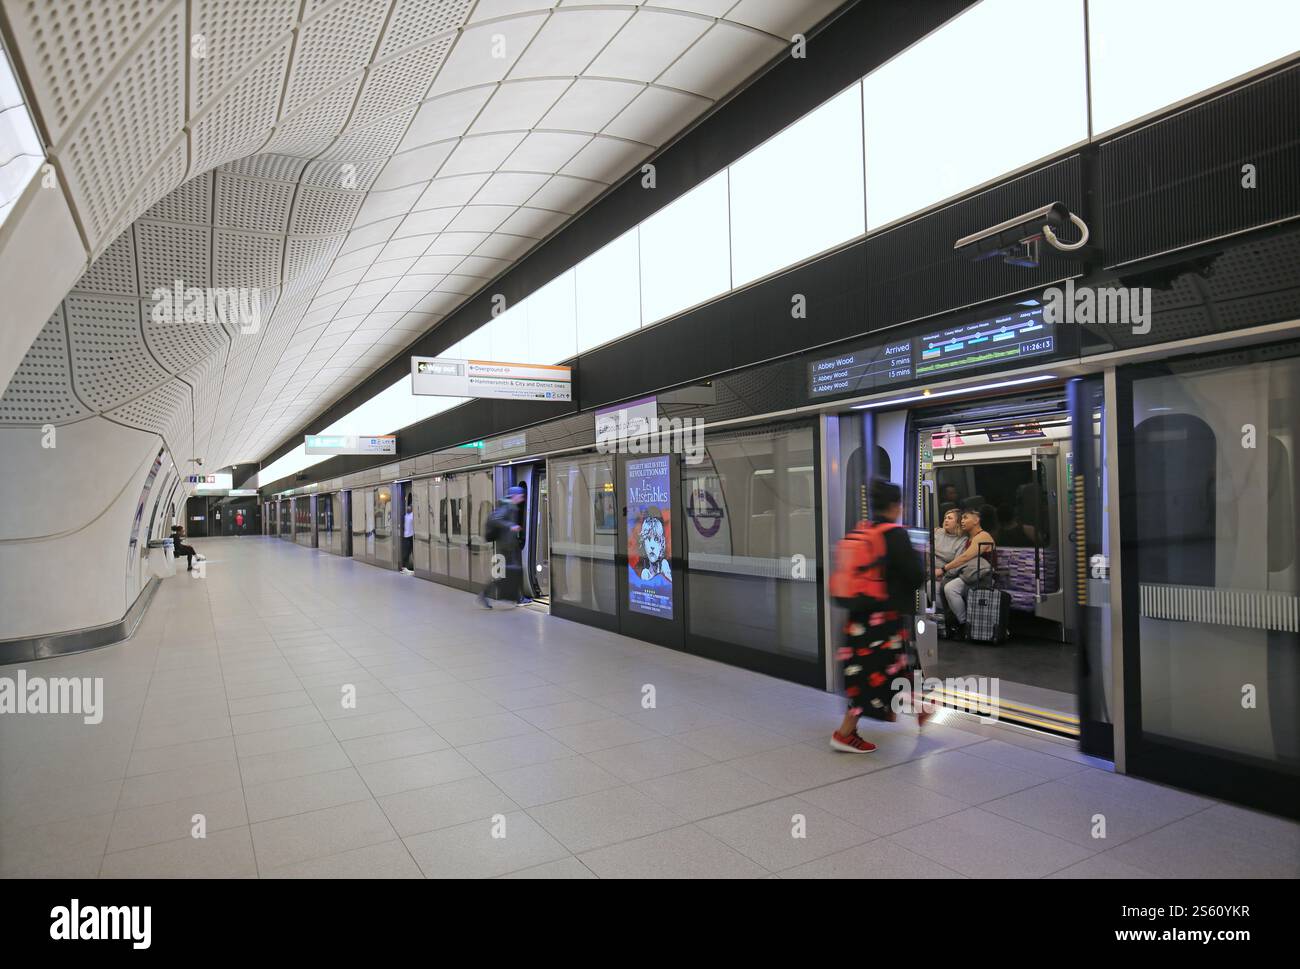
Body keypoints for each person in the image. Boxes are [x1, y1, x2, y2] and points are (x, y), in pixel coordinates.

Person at [829, 479, 929, 753]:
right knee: (876, 676)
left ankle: (920, 706)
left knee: (888, 669)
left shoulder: (863, 530)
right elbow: (917, 576)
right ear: (896, 506)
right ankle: (844, 733)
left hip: (859, 620)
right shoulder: (895, 535)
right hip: (884, 622)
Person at [939, 506, 997, 639]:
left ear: (976, 520)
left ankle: (964, 624)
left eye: (966, 518)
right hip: (971, 575)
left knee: (950, 588)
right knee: (945, 585)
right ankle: (955, 624)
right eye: (962, 518)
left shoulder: (983, 536)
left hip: (984, 577)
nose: (962, 521)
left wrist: (943, 569)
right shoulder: (968, 538)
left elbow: (966, 558)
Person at [477, 486, 525, 609]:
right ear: (515, 495)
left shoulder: (510, 506)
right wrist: (510, 526)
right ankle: (486, 595)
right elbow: (495, 519)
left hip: (508, 546)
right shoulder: (507, 506)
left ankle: (516, 598)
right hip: (506, 547)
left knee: (509, 573)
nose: (522, 498)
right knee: (507, 574)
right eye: (521, 496)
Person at [400, 493, 415, 574]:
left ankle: (414, 567)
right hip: (406, 536)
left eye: (410, 507)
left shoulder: (412, 515)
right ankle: (404, 567)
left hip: (411, 536)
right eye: (408, 507)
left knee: (412, 552)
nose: (408, 508)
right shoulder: (406, 515)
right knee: (406, 552)